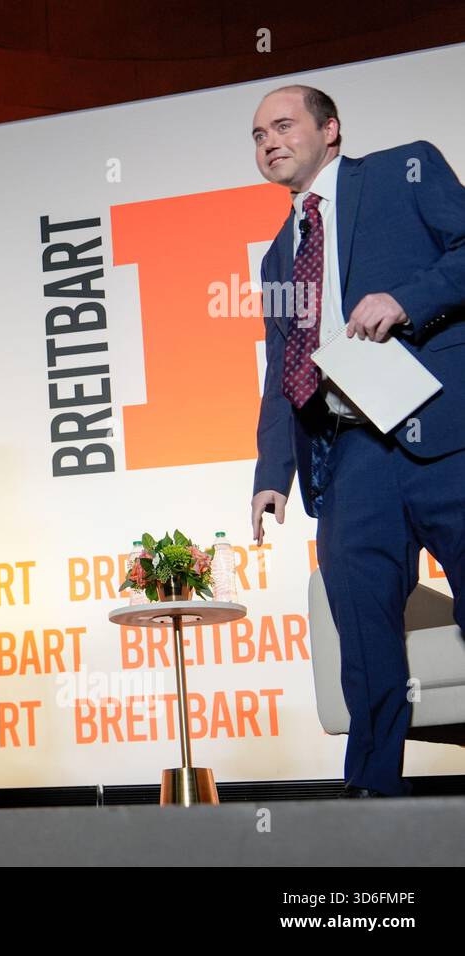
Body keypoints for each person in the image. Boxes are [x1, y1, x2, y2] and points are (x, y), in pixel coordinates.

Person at [249, 84, 465, 797]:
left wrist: (408, 300)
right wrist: (271, 473)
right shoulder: (279, 256)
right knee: (364, 636)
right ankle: (375, 799)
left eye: (283, 125)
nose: (269, 141)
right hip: (349, 456)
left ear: (330, 130)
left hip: (445, 432)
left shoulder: (406, 170)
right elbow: (283, 365)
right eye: (258, 135)